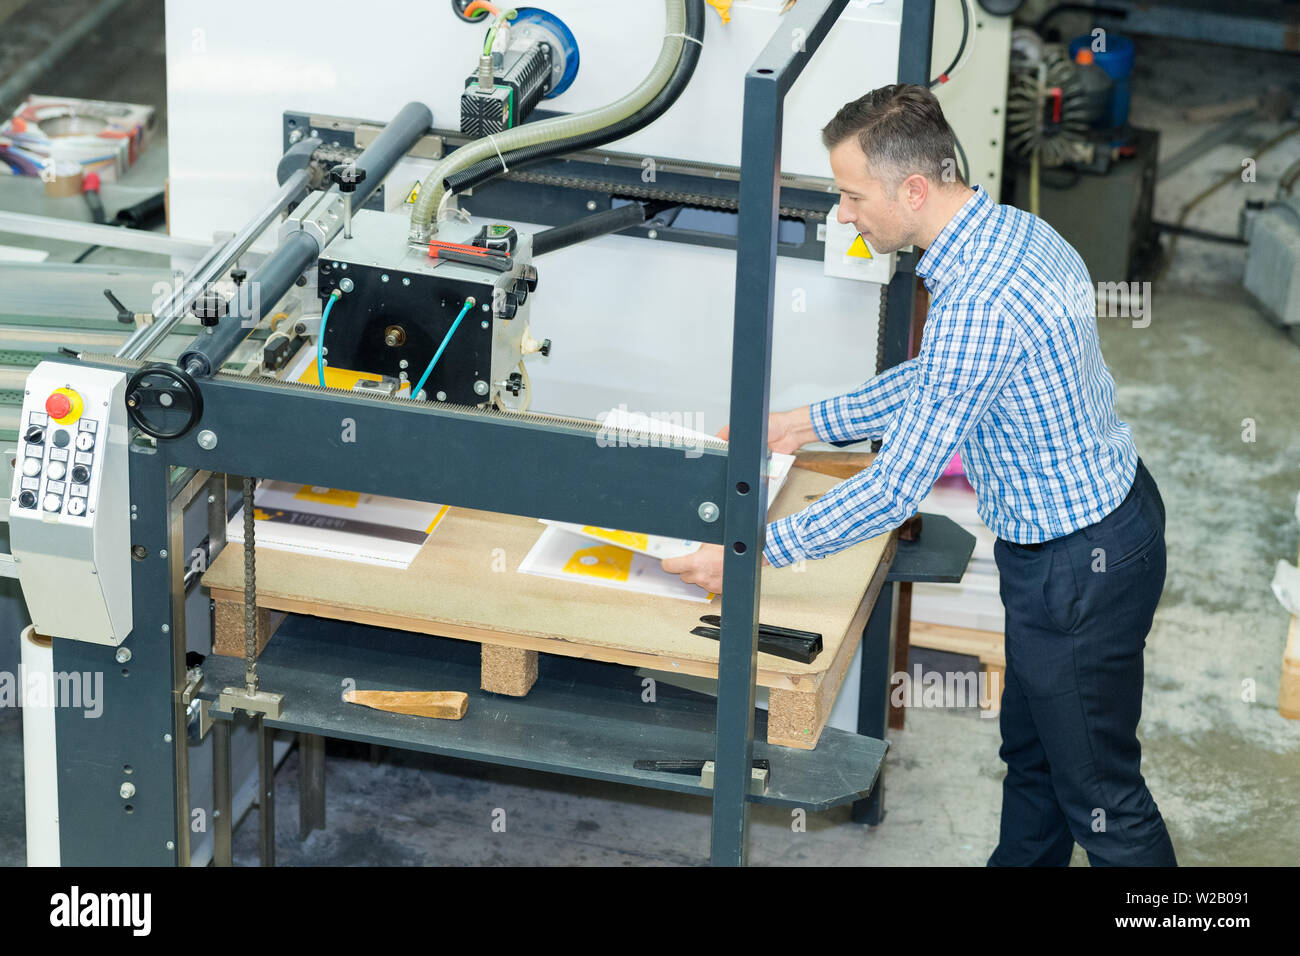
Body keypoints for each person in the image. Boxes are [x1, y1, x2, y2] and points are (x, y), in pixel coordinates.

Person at [662, 83, 1176, 867]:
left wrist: (746, 555)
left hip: (1079, 568)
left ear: (912, 188)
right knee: (1036, 765)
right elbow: (942, 381)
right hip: (1102, 526)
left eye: (850, 194)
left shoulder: (978, 298)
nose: (843, 215)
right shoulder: (1012, 234)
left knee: (1103, 803)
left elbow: (895, 487)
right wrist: (797, 426)